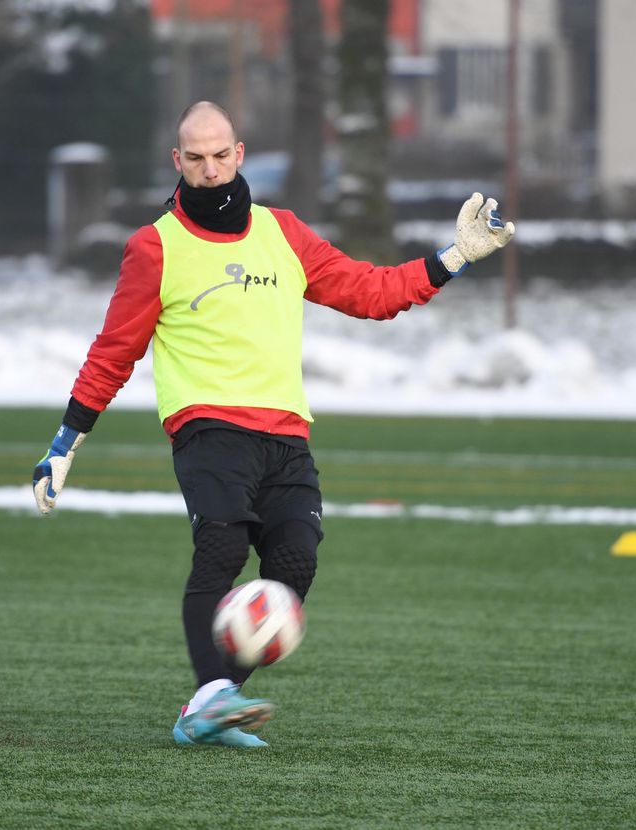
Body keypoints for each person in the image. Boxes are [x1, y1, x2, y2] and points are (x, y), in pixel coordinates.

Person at [32, 100, 514, 748]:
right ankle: (210, 695)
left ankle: (212, 701)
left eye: (219, 154)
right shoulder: (155, 247)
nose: (208, 168)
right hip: (207, 428)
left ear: (239, 154)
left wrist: (454, 255)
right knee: (224, 550)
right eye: (195, 158)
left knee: (295, 565)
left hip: (286, 433)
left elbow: (369, 292)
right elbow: (115, 350)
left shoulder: (283, 232)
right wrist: (67, 441)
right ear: (178, 162)